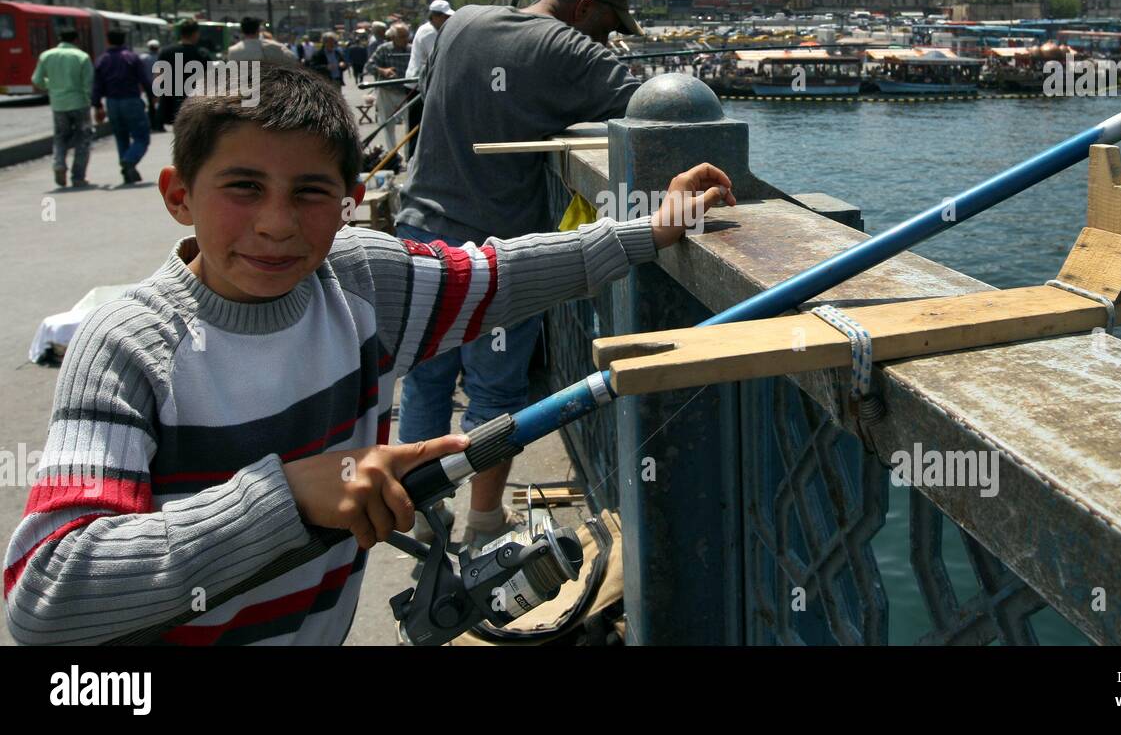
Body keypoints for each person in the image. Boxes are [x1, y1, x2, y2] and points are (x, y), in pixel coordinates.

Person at [1, 64, 733, 645]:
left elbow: (503, 273)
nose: (278, 224)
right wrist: (287, 495)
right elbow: (47, 597)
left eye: (310, 193)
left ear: (349, 199)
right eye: (243, 188)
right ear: (178, 195)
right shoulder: (126, 344)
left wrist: (649, 227)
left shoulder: (359, 281)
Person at [396, 0, 645, 549]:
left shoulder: (462, 21)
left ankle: (421, 515)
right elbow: (656, 107)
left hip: (418, 232)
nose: (606, 42)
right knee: (496, 393)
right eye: (608, 28)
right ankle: (484, 520)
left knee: (426, 383)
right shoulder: (572, 49)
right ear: (584, 9)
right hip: (495, 253)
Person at [31, 28, 94, 188]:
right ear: (76, 40)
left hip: (58, 105)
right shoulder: (82, 57)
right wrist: (91, 104)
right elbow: (88, 84)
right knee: (83, 139)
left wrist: (52, 86)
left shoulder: (46, 56)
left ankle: (59, 164)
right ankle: (78, 177)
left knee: (60, 137)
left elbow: (36, 80)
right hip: (80, 103)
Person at [92, 29, 153, 184]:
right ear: (124, 40)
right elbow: (144, 79)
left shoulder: (102, 60)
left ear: (108, 41)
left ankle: (127, 172)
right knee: (141, 137)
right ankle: (129, 160)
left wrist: (97, 105)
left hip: (112, 103)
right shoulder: (132, 58)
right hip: (131, 100)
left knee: (121, 137)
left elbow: (97, 85)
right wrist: (152, 96)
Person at [363, 22, 412, 153]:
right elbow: (369, 66)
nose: (405, 39)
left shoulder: (412, 50)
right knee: (388, 125)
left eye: (406, 36)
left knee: (410, 124)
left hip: (406, 91)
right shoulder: (384, 49)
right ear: (393, 37)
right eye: (402, 36)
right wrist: (383, 70)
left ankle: (409, 155)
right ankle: (393, 154)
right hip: (387, 91)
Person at [155, 20, 213, 128]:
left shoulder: (166, 52)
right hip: (195, 101)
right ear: (196, 34)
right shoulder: (202, 53)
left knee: (178, 132)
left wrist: (157, 96)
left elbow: (158, 75)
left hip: (171, 100)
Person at [406, 0, 454, 80]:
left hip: (425, 79)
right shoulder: (429, 32)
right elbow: (438, 57)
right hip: (417, 82)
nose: (448, 20)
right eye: (445, 17)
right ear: (435, 17)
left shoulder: (435, 29)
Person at [226, 16, 298, 67]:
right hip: (267, 85)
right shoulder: (272, 46)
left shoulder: (233, 51)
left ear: (242, 31)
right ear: (258, 30)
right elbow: (292, 58)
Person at [140, 39, 164, 132]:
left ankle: (152, 124)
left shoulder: (143, 58)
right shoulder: (161, 57)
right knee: (159, 106)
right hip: (160, 85)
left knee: (151, 106)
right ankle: (159, 125)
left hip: (148, 86)